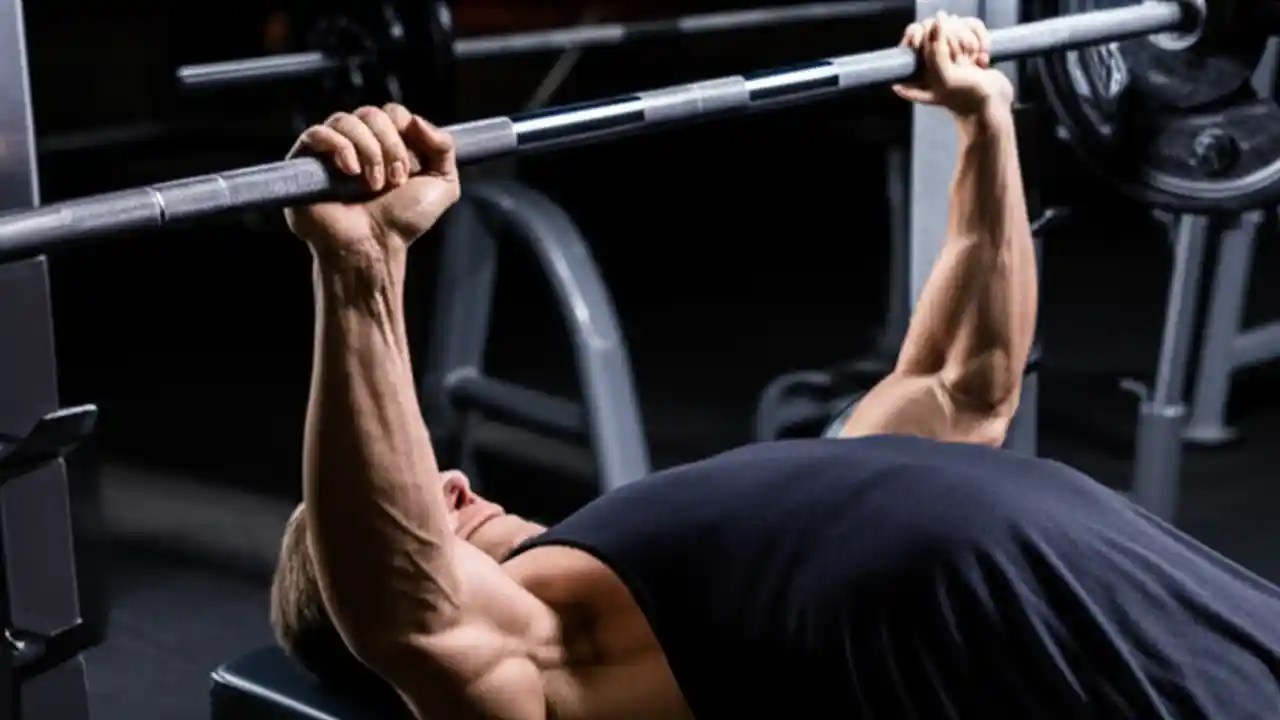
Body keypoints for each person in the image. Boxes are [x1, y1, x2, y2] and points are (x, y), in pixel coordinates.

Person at [269, 13, 1280, 720]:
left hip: (1154, 587)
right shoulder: (548, 660)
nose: (451, 481)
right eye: (414, 515)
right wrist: (362, 271)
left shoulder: (697, 546)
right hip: (1075, 658)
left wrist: (982, 121)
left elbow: (964, 386)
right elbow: (410, 603)